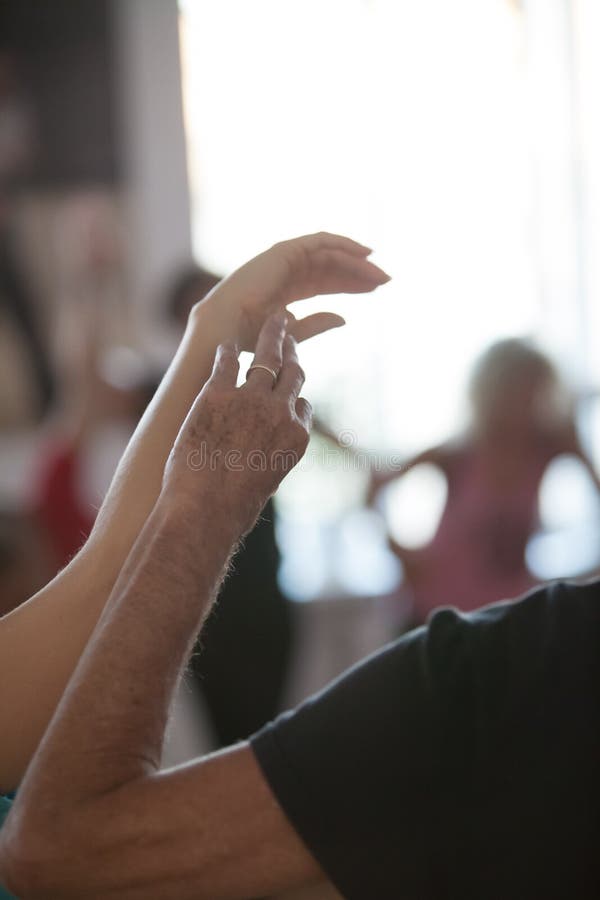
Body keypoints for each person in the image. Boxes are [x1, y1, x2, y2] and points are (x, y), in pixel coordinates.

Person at [0, 238, 598, 899]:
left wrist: (213, 500)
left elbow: (58, 838)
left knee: (237, 756)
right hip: (379, 611)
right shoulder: (474, 673)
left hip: (258, 593)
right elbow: (57, 843)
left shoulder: (501, 666)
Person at [369, 338, 600, 624]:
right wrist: (403, 558)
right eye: (514, 390)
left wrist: (579, 448)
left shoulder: (546, 450)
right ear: (491, 391)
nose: (522, 403)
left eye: (532, 391)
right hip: (436, 616)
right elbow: (376, 486)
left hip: (506, 617)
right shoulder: (455, 454)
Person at [165, 263, 293, 747]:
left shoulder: (263, 388)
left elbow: (313, 425)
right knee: (225, 740)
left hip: (263, 592)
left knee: (264, 732)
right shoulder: (163, 393)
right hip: (203, 598)